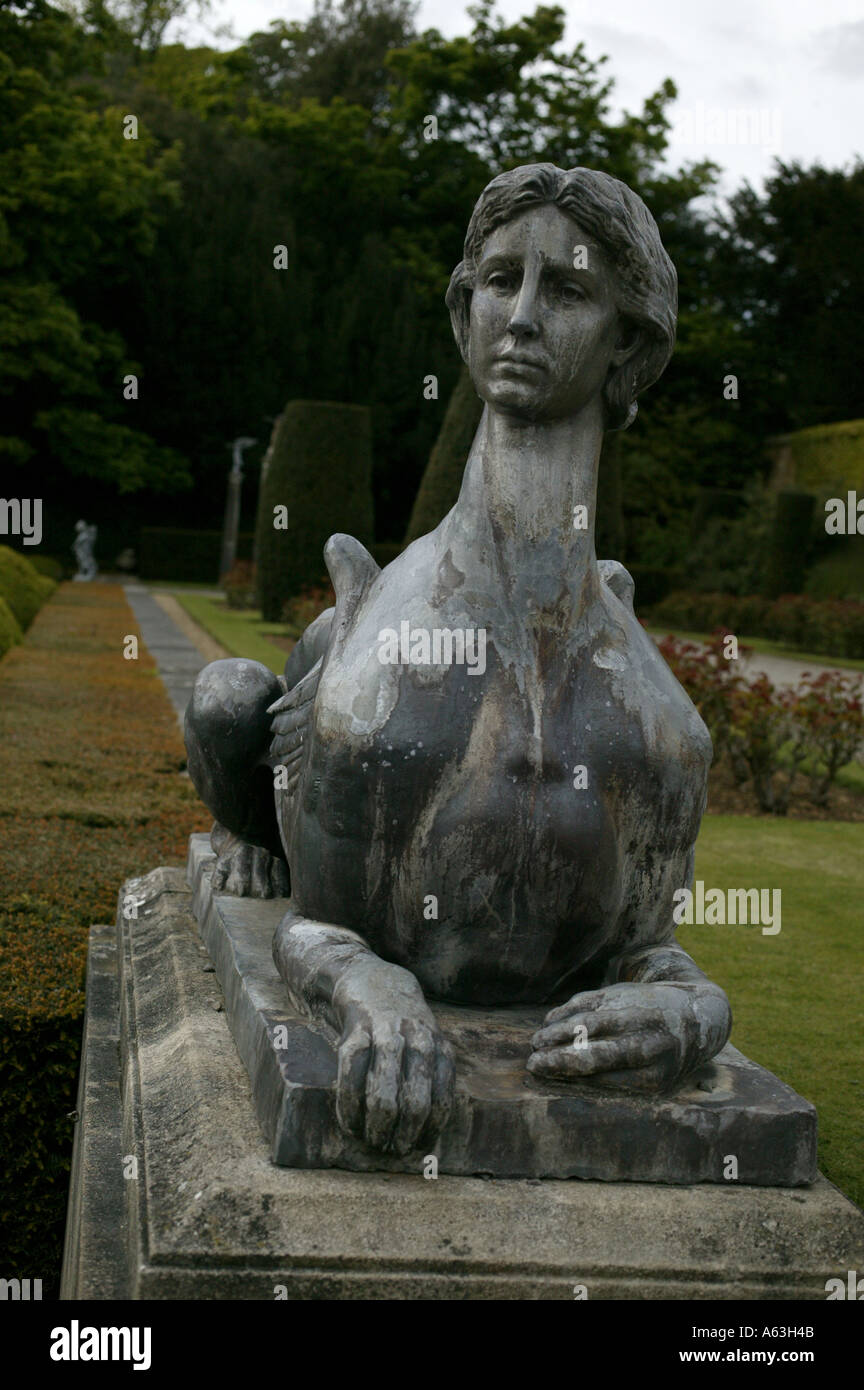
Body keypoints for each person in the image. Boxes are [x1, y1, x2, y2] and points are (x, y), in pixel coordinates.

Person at [185, 164, 730, 1158]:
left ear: (631, 338)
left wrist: (696, 1015)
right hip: (320, 740)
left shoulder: (667, 733)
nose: (519, 317)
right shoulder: (381, 667)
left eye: (565, 290)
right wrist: (370, 981)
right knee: (230, 701)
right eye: (498, 281)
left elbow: (654, 952)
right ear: (462, 308)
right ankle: (260, 827)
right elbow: (313, 929)